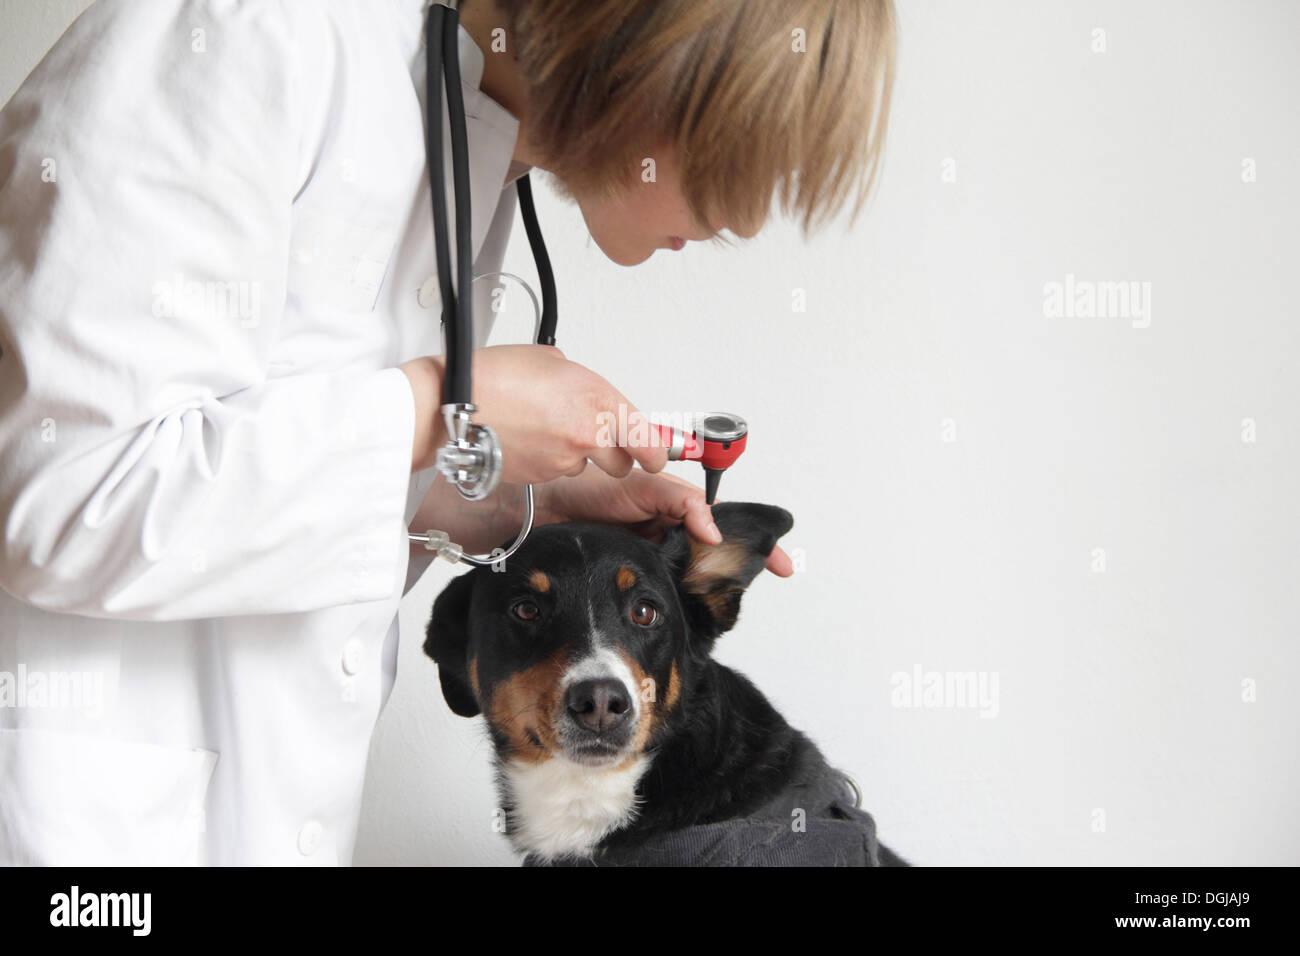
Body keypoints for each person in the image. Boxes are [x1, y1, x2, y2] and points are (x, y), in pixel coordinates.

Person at [0, 0, 894, 864]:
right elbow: (52, 493)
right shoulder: (241, 35)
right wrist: (443, 408)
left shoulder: (470, 140)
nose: (739, 219)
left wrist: (507, 496)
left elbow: (267, 482)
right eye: (734, 154)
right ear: (639, 42)